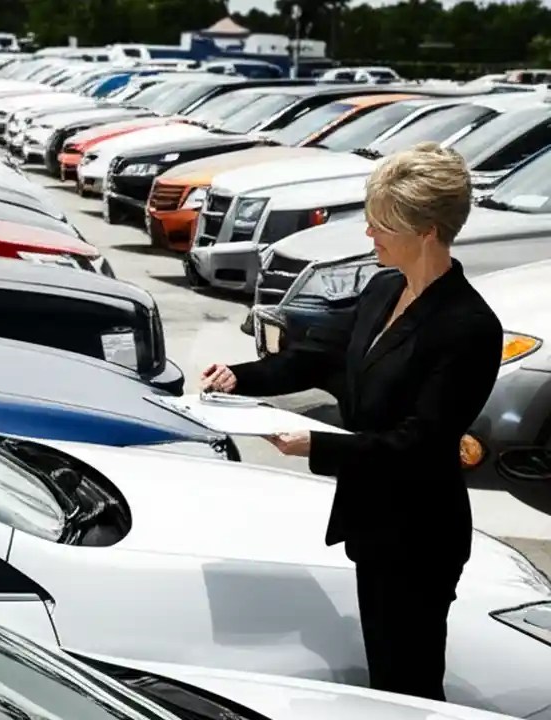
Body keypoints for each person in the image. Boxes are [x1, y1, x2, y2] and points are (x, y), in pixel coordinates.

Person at [201, 142, 502, 702]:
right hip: (373, 521)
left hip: (419, 534)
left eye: (381, 223)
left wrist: (314, 446)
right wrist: (239, 377)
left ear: (427, 231)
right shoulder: (384, 288)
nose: (369, 234)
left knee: (408, 683)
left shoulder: (468, 328)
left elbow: (420, 444)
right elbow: (318, 357)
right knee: (384, 673)